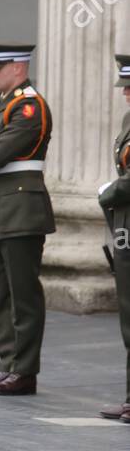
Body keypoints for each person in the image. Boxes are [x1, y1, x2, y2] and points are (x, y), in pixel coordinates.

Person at [0, 43, 54, 397]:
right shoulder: (5, 104)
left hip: (20, 209)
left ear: (18, 68)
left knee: (23, 293)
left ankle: (25, 369)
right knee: (1, 293)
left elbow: (3, 151)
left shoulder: (29, 106)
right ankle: (8, 365)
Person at [97, 54, 130, 421]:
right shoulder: (127, 120)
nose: (126, 95)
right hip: (125, 226)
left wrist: (109, 192)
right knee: (128, 317)